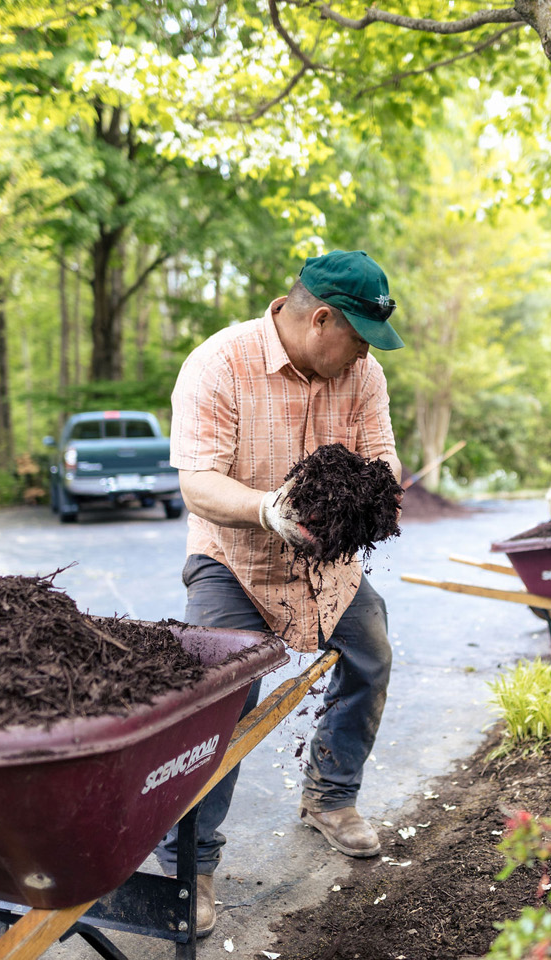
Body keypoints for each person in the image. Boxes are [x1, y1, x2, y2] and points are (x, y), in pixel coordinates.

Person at [158, 249, 405, 937]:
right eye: (356, 338)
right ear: (321, 318)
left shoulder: (363, 373)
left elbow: (381, 456)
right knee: (223, 698)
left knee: (371, 655)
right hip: (233, 557)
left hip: (325, 565)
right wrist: (268, 509)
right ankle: (191, 862)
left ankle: (330, 796)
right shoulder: (219, 364)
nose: (363, 357)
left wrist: (381, 491)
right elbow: (197, 483)